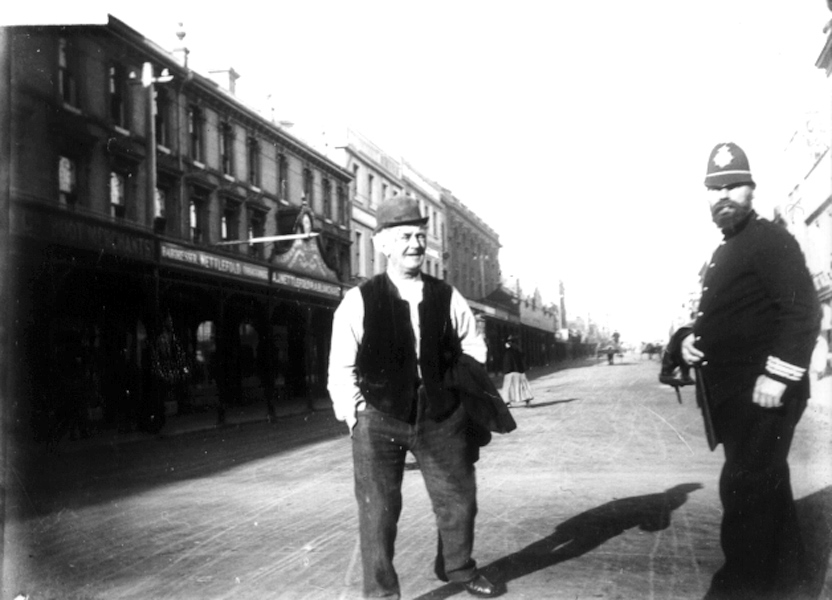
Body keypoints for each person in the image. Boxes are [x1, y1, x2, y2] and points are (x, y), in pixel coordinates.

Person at [328, 195, 498, 598]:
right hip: (379, 416)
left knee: (460, 500)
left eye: (420, 236)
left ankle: (457, 566)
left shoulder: (447, 295)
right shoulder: (358, 300)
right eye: (404, 236)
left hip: (440, 414)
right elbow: (340, 367)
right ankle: (382, 594)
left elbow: (474, 348)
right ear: (381, 244)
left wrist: (457, 394)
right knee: (378, 513)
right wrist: (355, 414)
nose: (415, 245)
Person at [679, 142, 820, 600]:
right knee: (766, 485)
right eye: (714, 188)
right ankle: (791, 579)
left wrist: (778, 375)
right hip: (737, 397)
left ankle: (740, 588)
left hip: (764, 395)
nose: (723, 196)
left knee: (744, 489)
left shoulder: (770, 241)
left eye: (733, 185)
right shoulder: (729, 248)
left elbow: (802, 312)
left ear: (751, 190)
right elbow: (720, 317)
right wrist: (685, 340)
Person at [500, 335, 533, 407]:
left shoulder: (507, 352)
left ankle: (507, 402)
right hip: (518, 370)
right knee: (522, 386)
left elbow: (506, 361)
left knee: (508, 387)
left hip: (510, 371)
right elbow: (522, 358)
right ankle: (527, 400)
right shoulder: (517, 350)